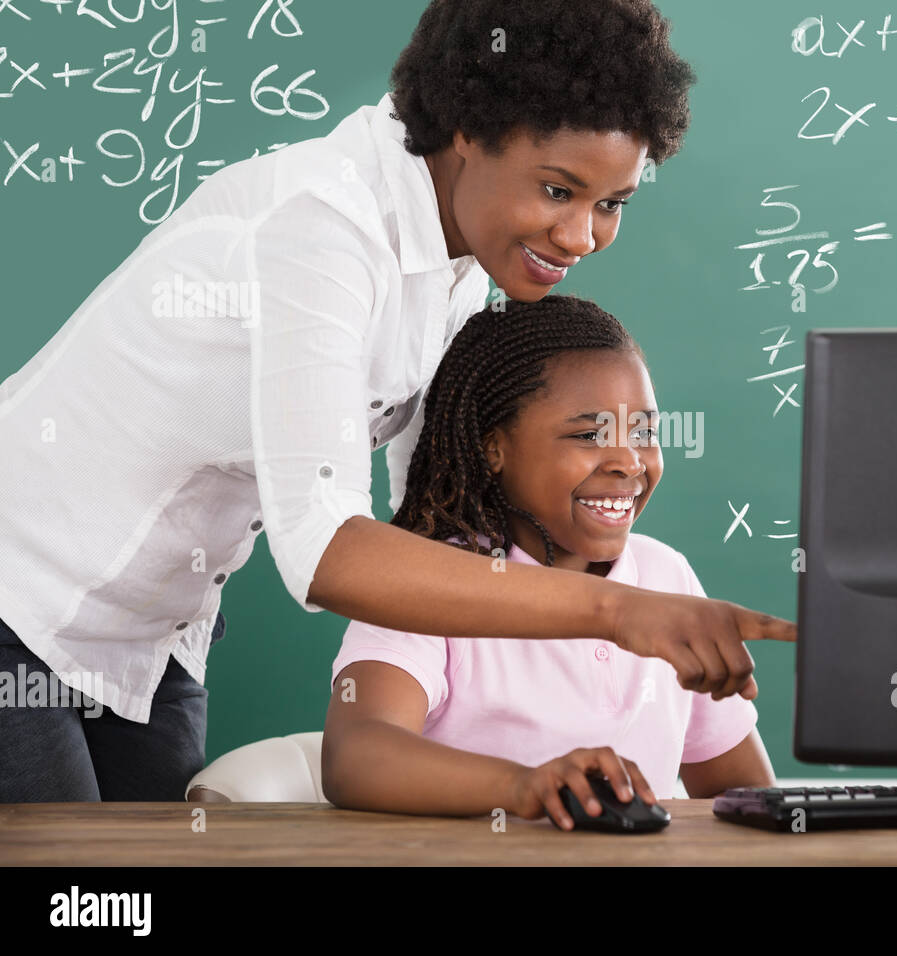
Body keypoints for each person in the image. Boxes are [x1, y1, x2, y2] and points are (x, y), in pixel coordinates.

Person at [0, 0, 793, 803]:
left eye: (612, 203)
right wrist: (615, 612)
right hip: (18, 596)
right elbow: (325, 549)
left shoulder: (457, 262)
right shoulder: (322, 226)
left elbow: (437, 528)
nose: (581, 235)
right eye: (559, 189)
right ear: (464, 130)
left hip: (155, 631)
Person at [324, 296, 778, 824]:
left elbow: (746, 796)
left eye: (645, 434)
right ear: (494, 448)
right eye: (588, 435)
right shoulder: (427, 581)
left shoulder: (666, 578)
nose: (629, 461)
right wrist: (524, 785)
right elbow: (353, 757)